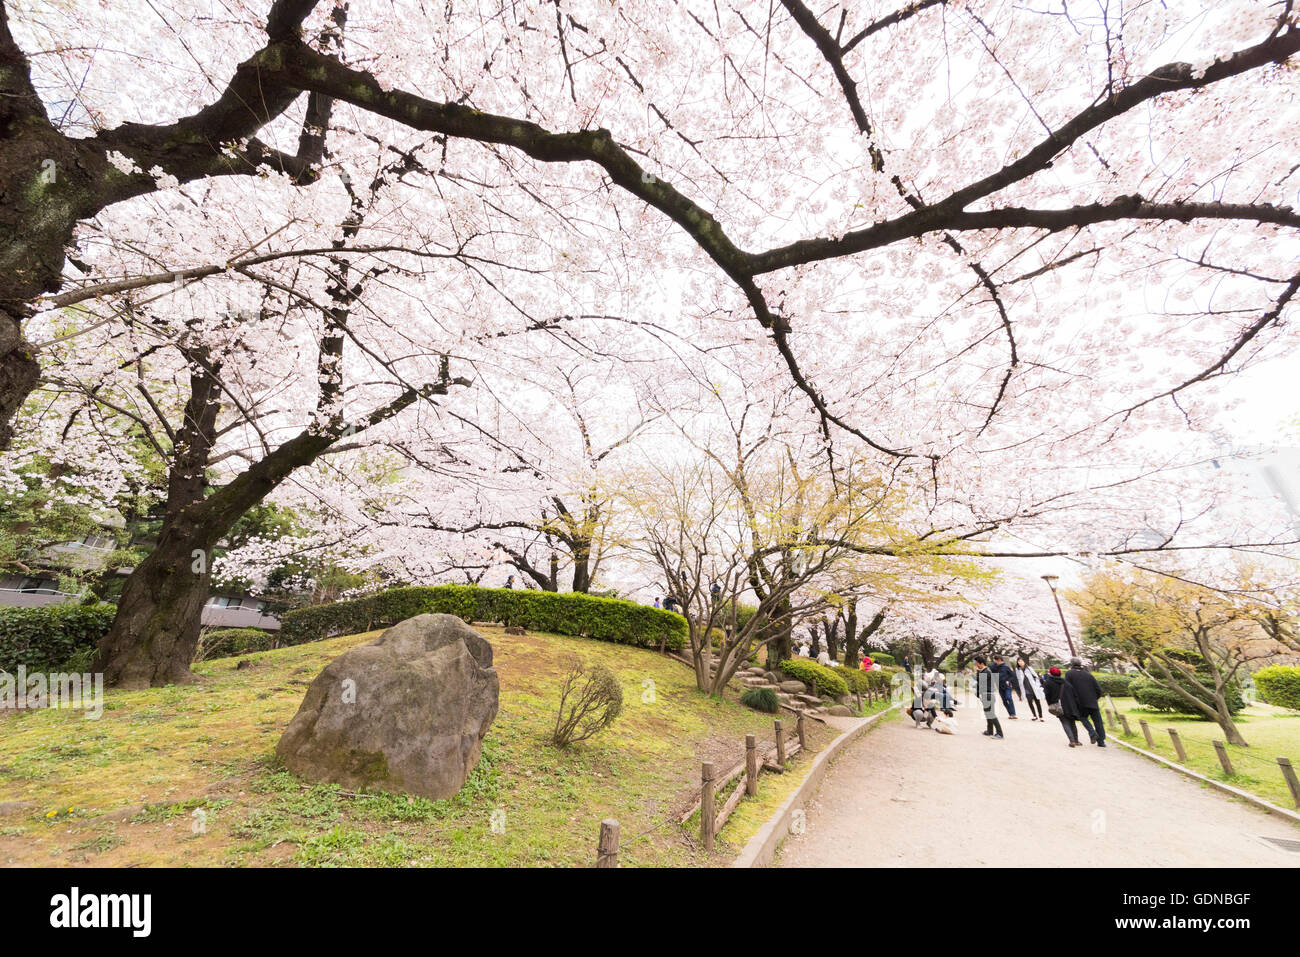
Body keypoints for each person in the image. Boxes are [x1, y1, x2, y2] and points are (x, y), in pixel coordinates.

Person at [1064, 656, 1106, 747]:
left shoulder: (1069, 674)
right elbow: (1098, 689)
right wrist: (1095, 698)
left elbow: (1068, 688)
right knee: (1098, 721)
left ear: (1071, 664)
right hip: (1092, 701)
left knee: (1083, 718)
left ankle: (1092, 732)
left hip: (1080, 702)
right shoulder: (1088, 674)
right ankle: (1101, 742)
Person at [1042, 666, 1083, 747]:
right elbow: (1074, 694)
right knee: (1072, 723)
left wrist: (1050, 704)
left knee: (1065, 722)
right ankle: (1076, 740)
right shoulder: (1066, 682)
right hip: (1070, 705)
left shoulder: (1048, 683)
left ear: (1050, 673)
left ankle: (1072, 741)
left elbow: (1047, 695)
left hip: (1058, 706)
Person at [973, 656, 1004, 739]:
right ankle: (990, 731)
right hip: (986, 695)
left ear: (981, 663)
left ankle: (1000, 733)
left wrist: (978, 691)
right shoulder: (983, 671)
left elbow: (981, 684)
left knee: (990, 713)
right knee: (987, 713)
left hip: (988, 695)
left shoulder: (986, 672)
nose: (975, 665)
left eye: (976, 663)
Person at [1013, 657, 1045, 721]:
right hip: (1025, 688)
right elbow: (1018, 679)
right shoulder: (1017, 670)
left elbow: (1036, 676)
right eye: (1019, 661)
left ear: (1024, 661)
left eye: (1021, 661)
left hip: (1033, 687)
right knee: (1030, 702)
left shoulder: (1029, 668)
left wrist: (1037, 684)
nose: (1020, 662)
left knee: (1037, 702)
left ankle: (1041, 716)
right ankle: (1034, 715)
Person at [992, 654, 1018, 719]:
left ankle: (1013, 714)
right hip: (999, 686)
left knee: (1008, 697)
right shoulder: (994, 667)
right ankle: (1011, 714)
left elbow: (1013, 675)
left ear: (1000, 660)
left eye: (996, 661)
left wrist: (1008, 681)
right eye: (995, 661)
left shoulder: (1006, 667)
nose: (995, 662)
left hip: (1007, 685)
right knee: (1004, 700)